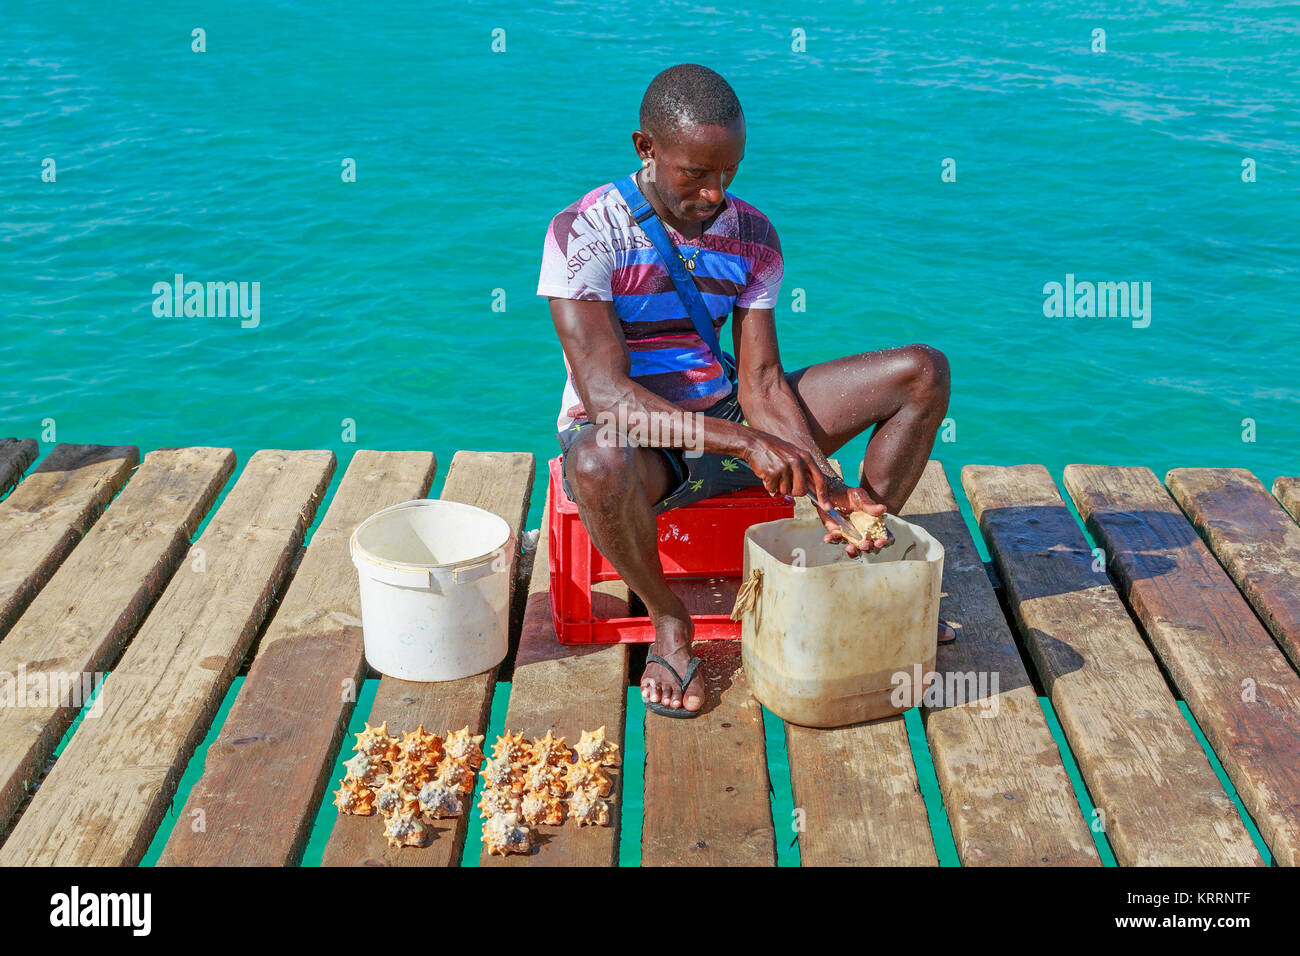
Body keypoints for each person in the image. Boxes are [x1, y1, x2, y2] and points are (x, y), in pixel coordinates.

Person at [538, 63, 953, 717]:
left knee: (922, 371)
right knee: (593, 461)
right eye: (694, 174)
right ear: (645, 148)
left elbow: (759, 381)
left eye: (727, 172)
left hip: (729, 414)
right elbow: (608, 401)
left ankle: (862, 554)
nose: (713, 193)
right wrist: (747, 442)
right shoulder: (584, 232)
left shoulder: (753, 236)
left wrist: (814, 472)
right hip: (637, 444)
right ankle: (671, 623)